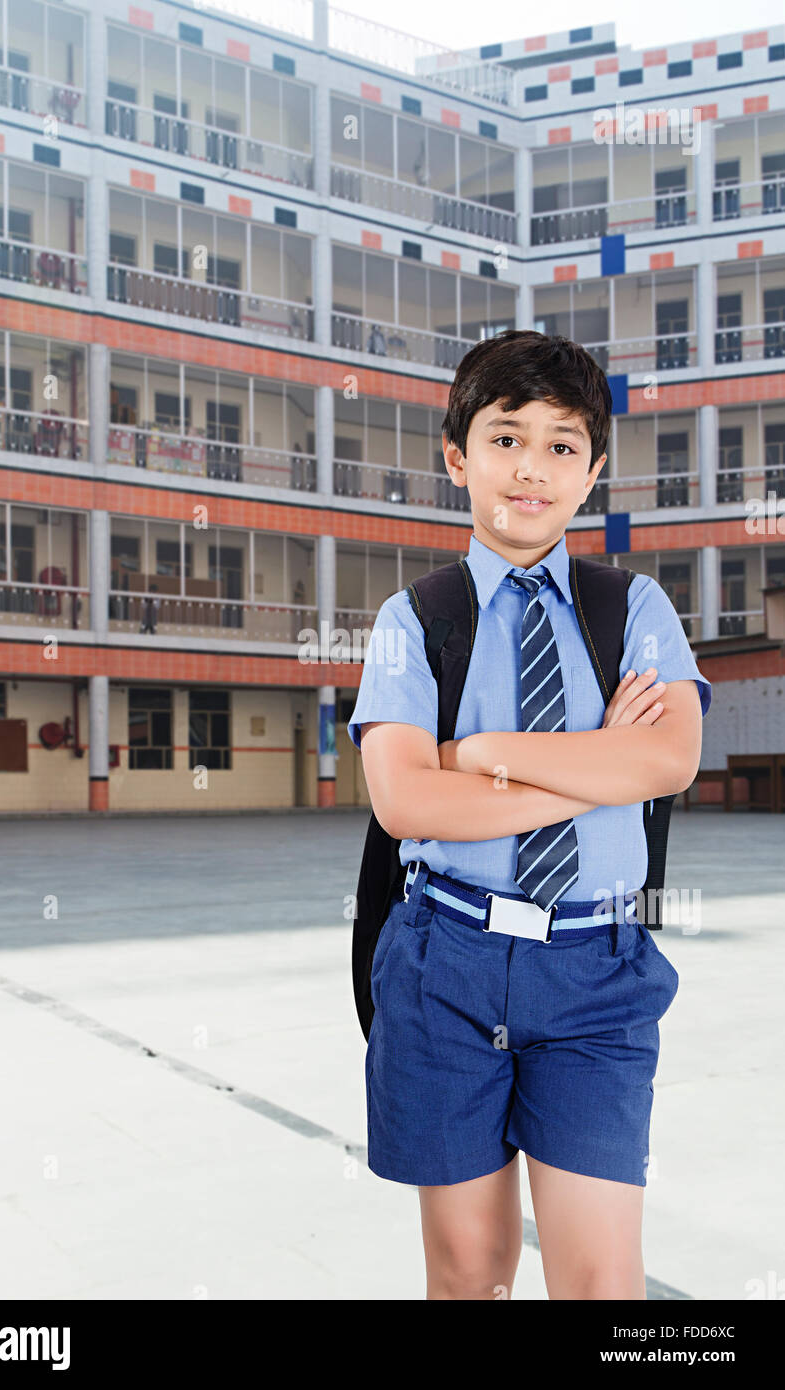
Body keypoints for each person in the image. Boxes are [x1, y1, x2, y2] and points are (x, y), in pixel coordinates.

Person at [347, 330, 712, 1301]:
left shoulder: (630, 611)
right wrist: (599, 769)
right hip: (446, 963)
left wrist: (479, 754)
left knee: (599, 1281)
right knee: (469, 1273)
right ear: (457, 454)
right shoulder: (413, 620)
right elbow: (406, 798)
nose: (531, 468)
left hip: (596, 971)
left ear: (591, 471)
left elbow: (667, 755)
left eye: (561, 445)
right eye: (506, 437)